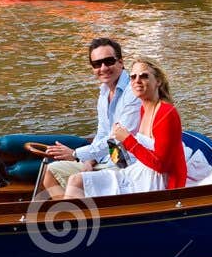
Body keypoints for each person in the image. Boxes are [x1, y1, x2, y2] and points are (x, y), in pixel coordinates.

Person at [63, 59, 186, 199]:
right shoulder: (142, 108)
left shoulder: (165, 113)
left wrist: (128, 140)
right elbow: (109, 138)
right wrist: (101, 155)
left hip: (156, 183)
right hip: (138, 171)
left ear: (158, 81)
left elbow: (161, 166)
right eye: (133, 76)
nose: (137, 81)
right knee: (75, 180)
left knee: (76, 181)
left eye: (144, 76)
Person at [39, 37, 143, 196]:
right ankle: (66, 215)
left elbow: (117, 139)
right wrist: (89, 160)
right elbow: (102, 133)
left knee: (77, 181)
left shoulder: (133, 92)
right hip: (105, 160)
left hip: (126, 163)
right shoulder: (104, 93)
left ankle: (77, 217)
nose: (103, 68)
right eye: (97, 64)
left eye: (108, 61)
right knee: (50, 172)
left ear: (120, 62)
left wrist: (75, 154)